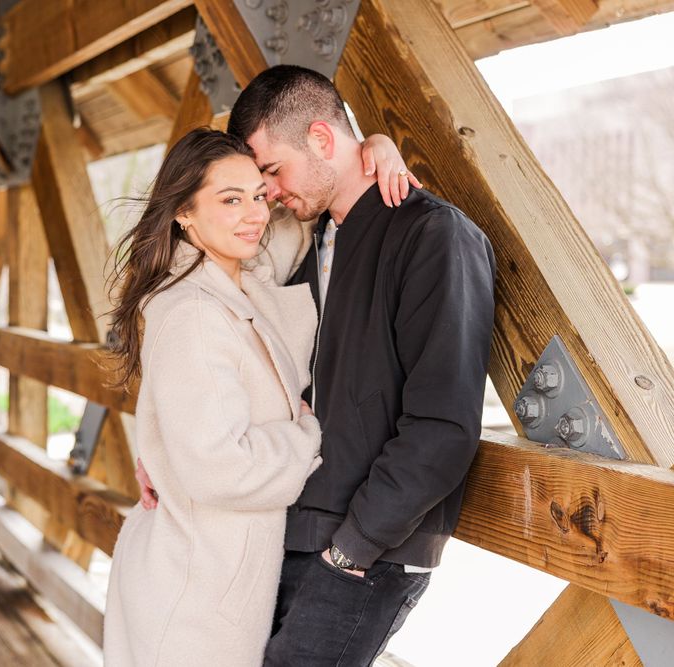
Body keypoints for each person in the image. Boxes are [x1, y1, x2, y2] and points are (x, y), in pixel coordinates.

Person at [137, 65, 497, 665]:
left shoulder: (436, 237)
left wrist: (353, 549)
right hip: (293, 531)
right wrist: (159, 445)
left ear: (324, 141)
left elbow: (443, 425)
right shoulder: (313, 241)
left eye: (272, 172)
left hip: (368, 550)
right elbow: (191, 303)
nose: (269, 193)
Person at [103, 126, 415, 666]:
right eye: (229, 200)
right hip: (192, 597)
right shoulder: (195, 314)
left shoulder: (246, 276)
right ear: (184, 212)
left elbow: (317, 196)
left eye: (258, 195)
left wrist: (375, 146)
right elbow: (221, 468)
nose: (254, 214)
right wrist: (306, 433)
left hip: (213, 579)